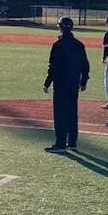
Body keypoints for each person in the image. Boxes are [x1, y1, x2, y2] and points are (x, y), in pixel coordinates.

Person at [42, 15, 89, 153]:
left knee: (60, 113)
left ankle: (60, 143)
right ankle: (72, 141)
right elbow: (85, 64)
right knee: (72, 112)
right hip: (73, 82)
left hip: (61, 83)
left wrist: (47, 83)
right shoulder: (78, 44)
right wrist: (83, 81)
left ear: (60, 27)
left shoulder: (58, 45)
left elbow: (53, 66)